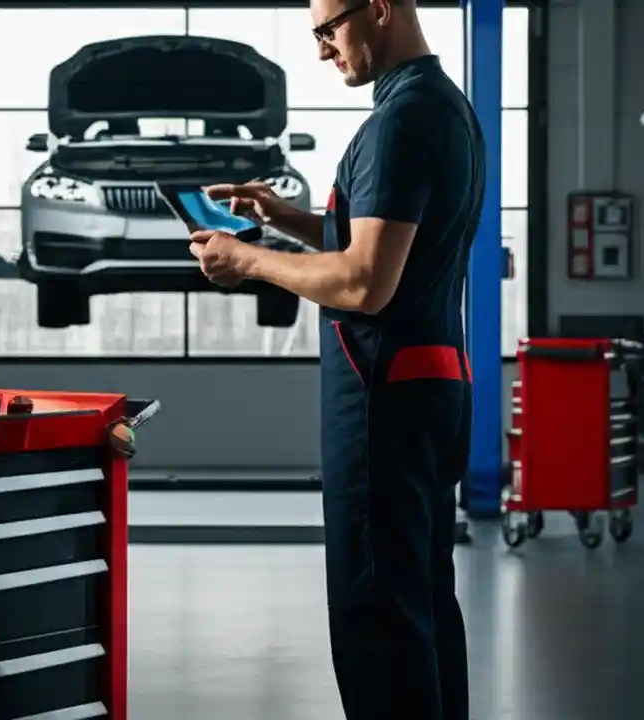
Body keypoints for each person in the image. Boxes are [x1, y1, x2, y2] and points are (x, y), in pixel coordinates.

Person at [188, 1, 485, 718]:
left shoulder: (399, 121)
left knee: (376, 610)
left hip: (381, 396)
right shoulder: (446, 107)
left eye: (328, 29)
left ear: (377, 9)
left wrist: (249, 259)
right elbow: (385, 240)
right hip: (430, 383)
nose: (322, 50)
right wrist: (284, 220)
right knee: (420, 600)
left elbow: (363, 282)